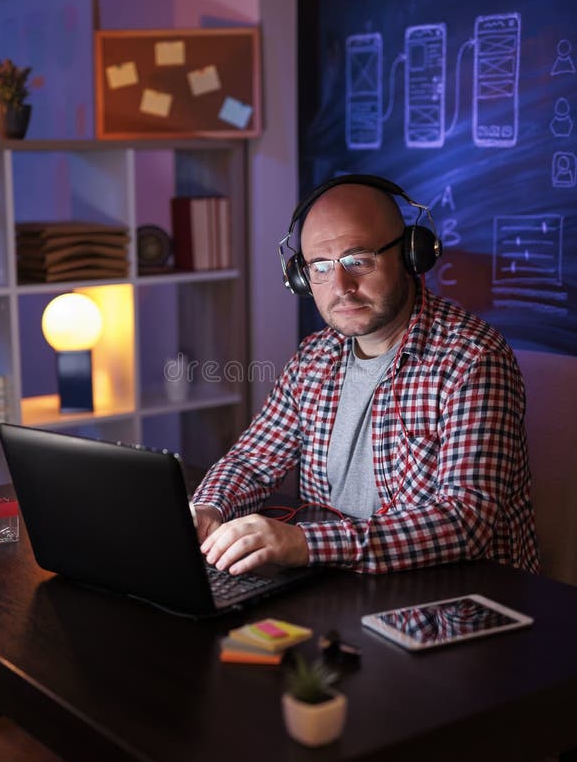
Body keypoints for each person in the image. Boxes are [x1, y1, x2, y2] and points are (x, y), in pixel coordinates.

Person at [194, 174, 540, 578]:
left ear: (410, 255)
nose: (341, 286)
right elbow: (253, 461)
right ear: (301, 278)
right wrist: (208, 508)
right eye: (320, 267)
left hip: (458, 595)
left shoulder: (472, 359)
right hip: (340, 583)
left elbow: (466, 521)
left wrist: (304, 543)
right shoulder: (314, 357)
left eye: (358, 260)